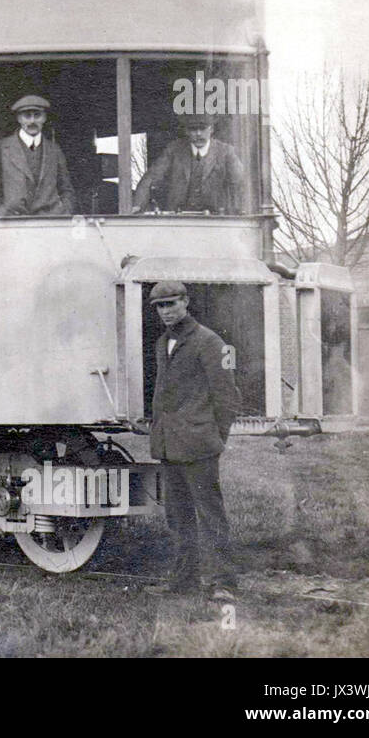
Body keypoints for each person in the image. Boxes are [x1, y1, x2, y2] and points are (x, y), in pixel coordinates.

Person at [143, 281, 241, 601]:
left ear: (186, 302)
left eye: (171, 304)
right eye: (159, 306)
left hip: (199, 446)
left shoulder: (208, 341)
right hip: (171, 446)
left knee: (210, 515)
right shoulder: (162, 343)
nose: (166, 311)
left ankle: (224, 583)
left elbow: (227, 397)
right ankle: (183, 580)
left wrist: (216, 437)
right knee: (178, 517)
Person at [131, 114, 249, 214]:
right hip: (179, 221)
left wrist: (240, 212)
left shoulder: (226, 152)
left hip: (214, 221)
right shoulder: (174, 150)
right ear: (187, 131)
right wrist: (137, 207)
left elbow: (239, 183)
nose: (198, 134)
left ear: (211, 129)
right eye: (193, 129)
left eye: (203, 129)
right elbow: (151, 177)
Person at [0, 95, 75, 216]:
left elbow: (66, 188)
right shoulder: (2, 148)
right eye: (27, 116)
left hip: (49, 222)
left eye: (37, 115)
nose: (32, 121)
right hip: (11, 222)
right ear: (19, 119)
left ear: (44, 118)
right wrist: (0, 213)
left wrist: (65, 211)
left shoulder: (54, 150)